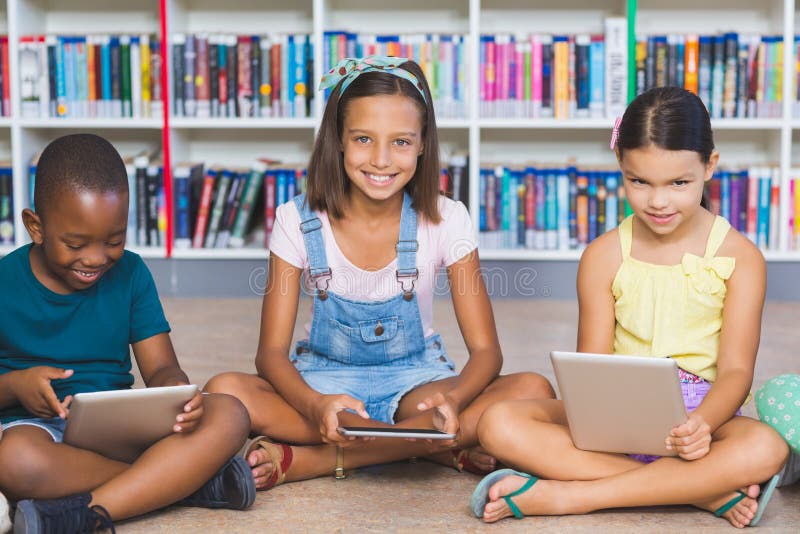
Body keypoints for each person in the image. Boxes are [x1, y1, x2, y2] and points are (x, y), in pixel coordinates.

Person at [205, 56, 554, 490]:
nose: (382, 160)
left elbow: (486, 352)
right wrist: (316, 406)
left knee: (533, 390)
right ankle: (434, 447)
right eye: (364, 139)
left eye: (402, 142)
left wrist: (453, 399)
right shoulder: (296, 219)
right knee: (223, 392)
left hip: (418, 383)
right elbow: (270, 354)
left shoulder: (448, 218)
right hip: (323, 381)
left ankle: (315, 460)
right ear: (337, 140)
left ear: (424, 143)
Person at [470, 87, 789, 528]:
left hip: (703, 422)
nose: (658, 202)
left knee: (766, 446)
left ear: (709, 166)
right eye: (639, 182)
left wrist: (702, 425)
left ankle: (572, 496)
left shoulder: (741, 257)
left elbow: (736, 371)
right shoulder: (603, 255)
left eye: (679, 183)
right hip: (615, 419)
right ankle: (702, 492)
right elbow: (594, 367)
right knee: (498, 423)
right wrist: (602, 419)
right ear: (621, 167)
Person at [0, 134, 254, 533]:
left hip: (116, 428)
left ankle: (82, 514)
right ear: (36, 226)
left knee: (231, 413)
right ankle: (179, 482)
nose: (97, 258)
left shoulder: (132, 272)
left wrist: (179, 397)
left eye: (114, 240)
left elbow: (163, 369)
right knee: (15, 462)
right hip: (39, 432)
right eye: (76, 243)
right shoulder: (4, 282)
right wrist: (16, 386)